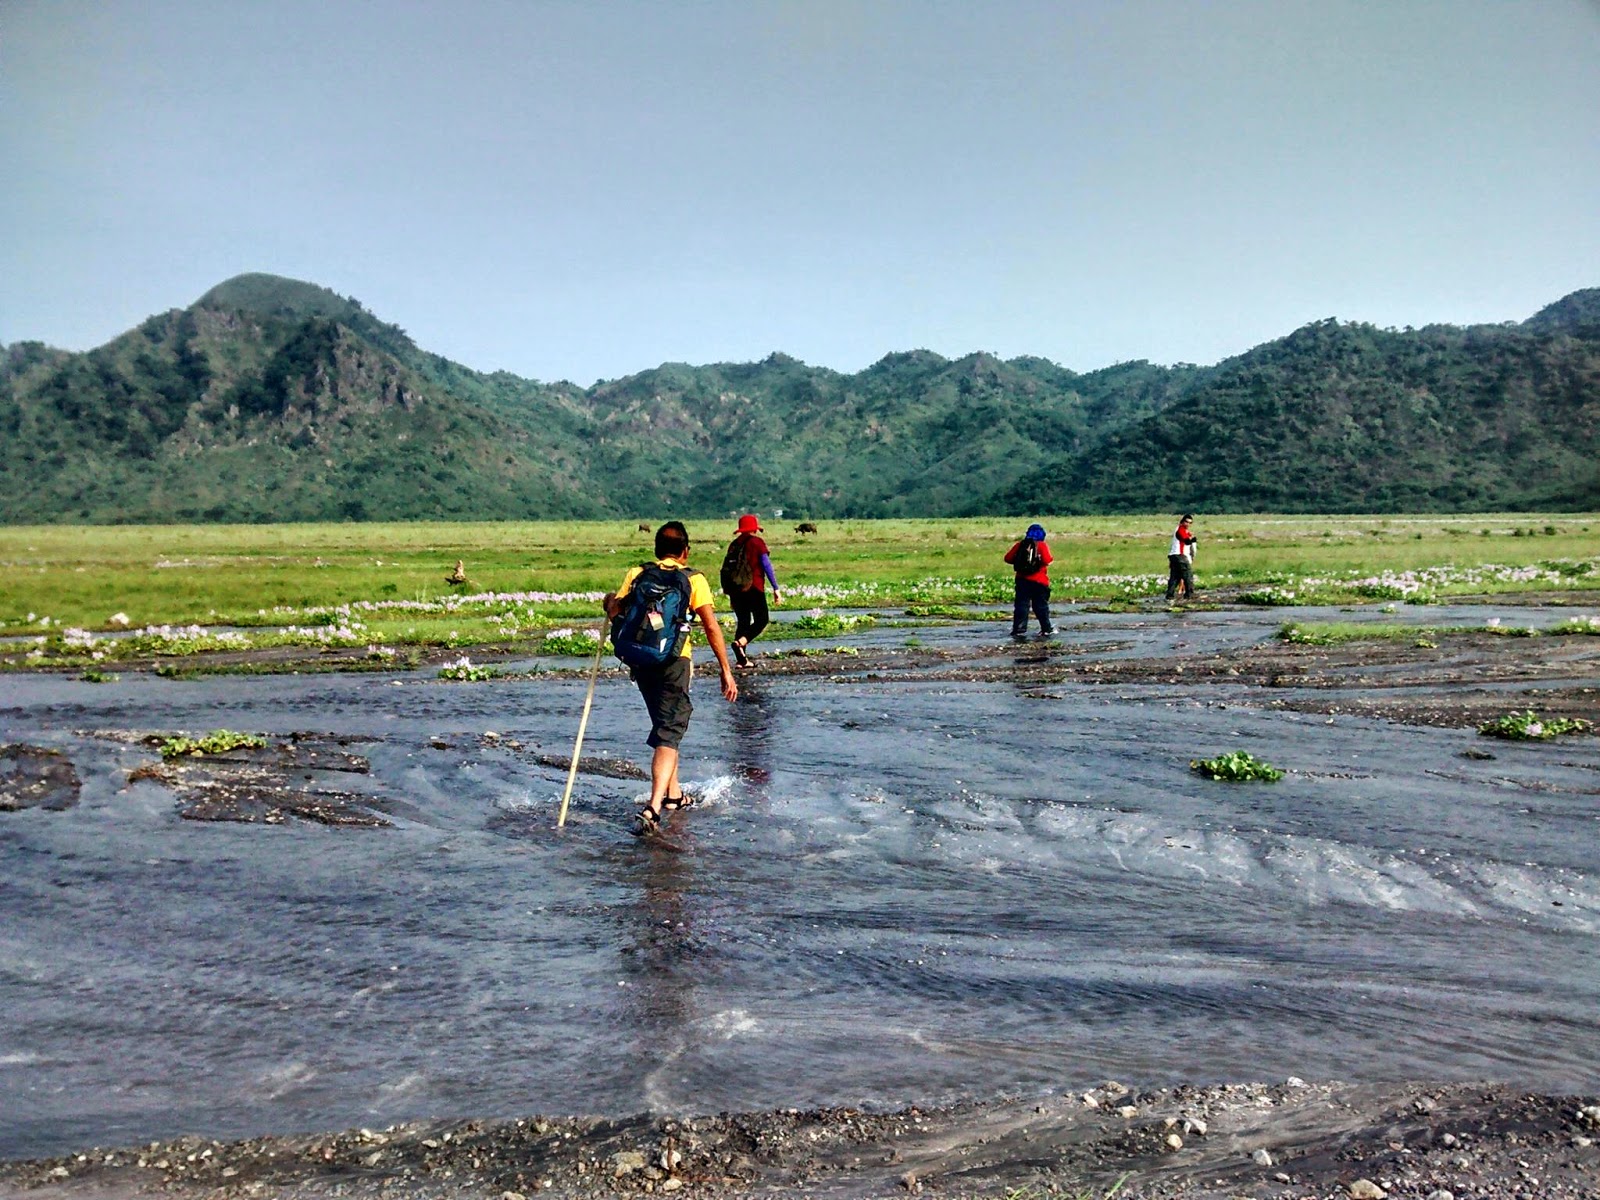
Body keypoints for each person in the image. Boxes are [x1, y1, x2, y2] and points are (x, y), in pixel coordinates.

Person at [603, 521, 738, 834]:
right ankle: (654, 806)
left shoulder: (637, 574)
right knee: (670, 730)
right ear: (685, 551)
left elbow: (615, 612)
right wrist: (726, 670)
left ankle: (674, 796)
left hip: (640, 659)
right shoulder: (694, 579)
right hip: (675, 662)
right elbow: (712, 627)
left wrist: (609, 600)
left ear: (656, 549)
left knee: (665, 726)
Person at [720, 513, 782, 668]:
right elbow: (766, 565)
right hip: (754, 587)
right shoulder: (757, 543)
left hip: (737, 589)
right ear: (755, 528)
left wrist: (730, 595)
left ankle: (742, 661)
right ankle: (741, 643)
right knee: (762, 619)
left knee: (743, 622)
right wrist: (776, 588)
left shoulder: (734, 545)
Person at [1004, 523, 1054, 638]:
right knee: (1041, 606)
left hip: (1022, 580)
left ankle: (1019, 629)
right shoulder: (1042, 545)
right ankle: (1046, 629)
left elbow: (1007, 558)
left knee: (1021, 606)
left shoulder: (1020, 544)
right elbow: (1047, 560)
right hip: (1040, 582)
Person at [1166, 513, 1197, 600]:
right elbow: (1187, 541)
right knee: (1188, 575)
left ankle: (1170, 595)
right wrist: (1193, 539)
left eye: (1190, 523)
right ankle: (1189, 595)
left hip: (1173, 556)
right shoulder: (1181, 530)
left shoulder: (1180, 530)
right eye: (1186, 522)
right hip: (1180, 556)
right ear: (1182, 521)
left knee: (1175, 577)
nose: (1188, 524)